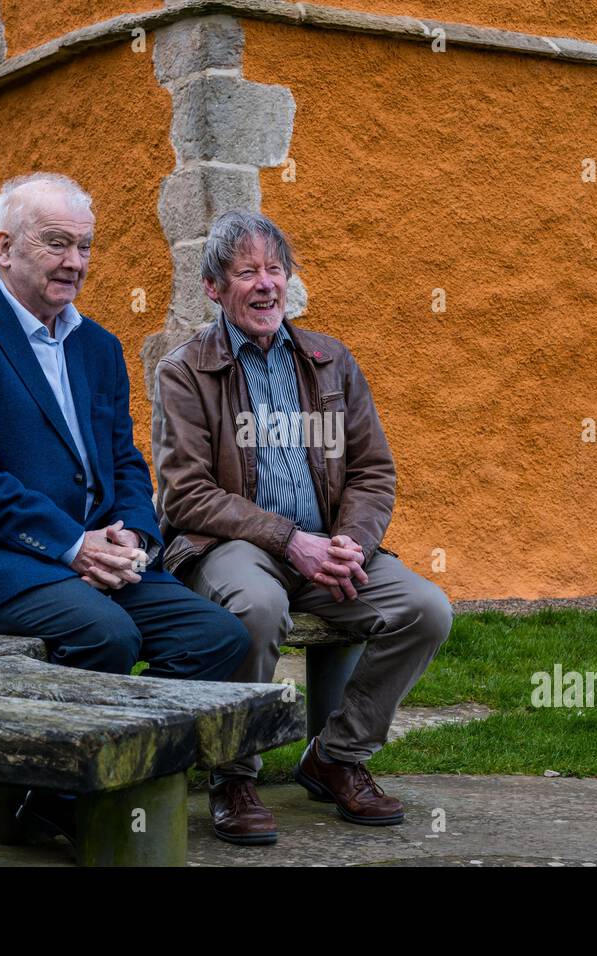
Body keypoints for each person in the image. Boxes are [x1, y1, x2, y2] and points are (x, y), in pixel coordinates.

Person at [0, 173, 249, 842]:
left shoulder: (98, 346)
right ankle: (60, 794)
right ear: (4, 249)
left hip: (97, 559)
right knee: (107, 634)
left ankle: (109, 785)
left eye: (85, 247)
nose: (75, 262)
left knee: (217, 638)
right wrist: (72, 545)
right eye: (57, 243)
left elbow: (124, 462)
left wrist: (135, 541)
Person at [151, 210, 453, 846]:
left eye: (275, 269)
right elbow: (187, 493)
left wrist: (350, 546)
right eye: (246, 272)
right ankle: (232, 773)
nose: (265, 285)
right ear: (213, 288)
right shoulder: (186, 370)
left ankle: (337, 757)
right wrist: (290, 541)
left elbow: (372, 470)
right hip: (231, 547)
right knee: (255, 608)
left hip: (329, 548)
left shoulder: (328, 360)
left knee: (426, 608)